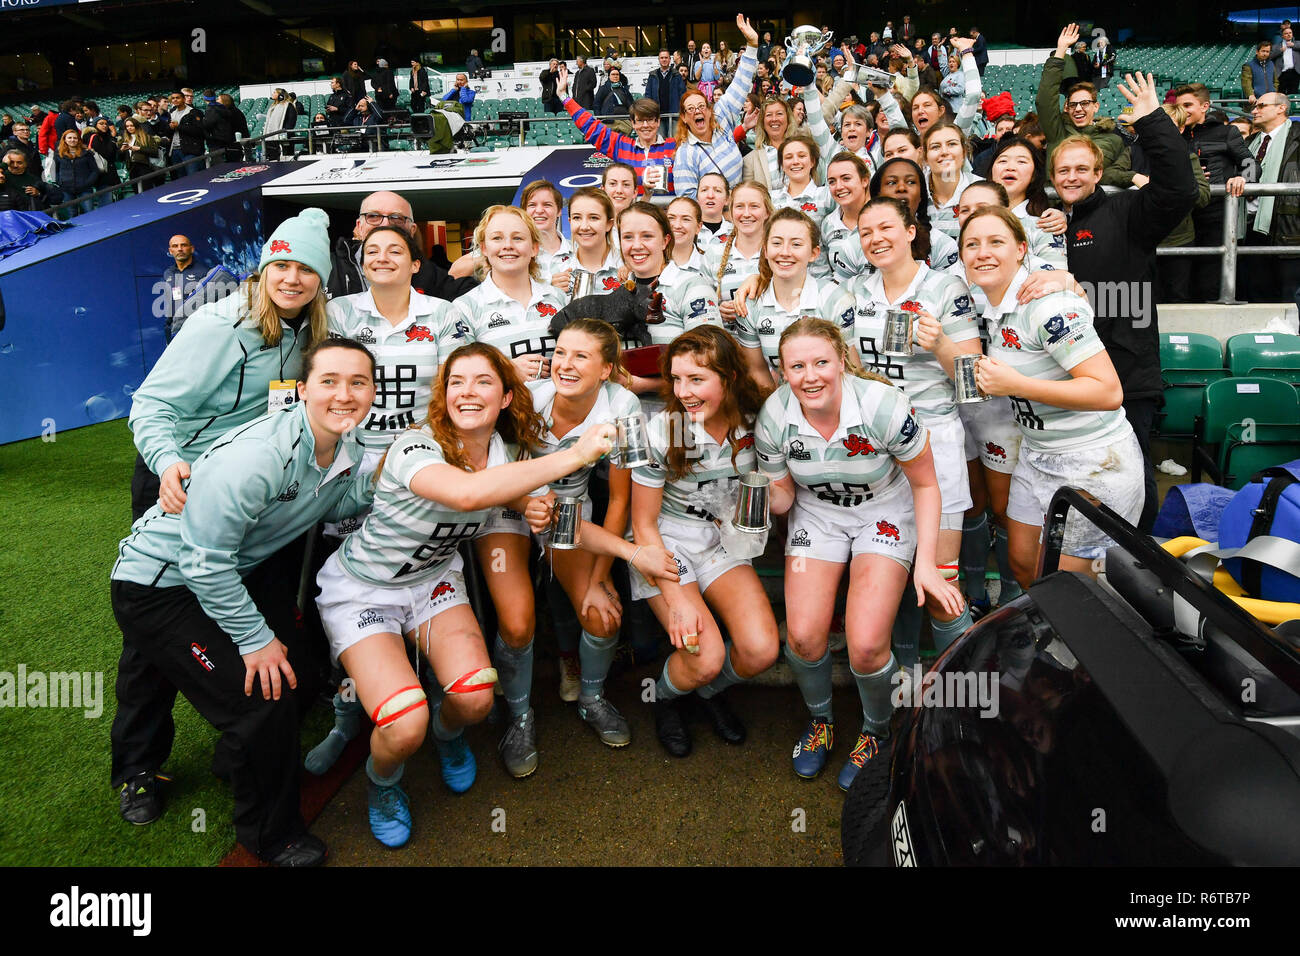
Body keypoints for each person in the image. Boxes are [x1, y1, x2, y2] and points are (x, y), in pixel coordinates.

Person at [315, 341, 625, 831]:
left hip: (433, 583)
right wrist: (577, 455)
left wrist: (633, 553)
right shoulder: (417, 445)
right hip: (365, 591)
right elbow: (465, 494)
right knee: (402, 722)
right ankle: (384, 781)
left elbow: (558, 517)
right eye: (456, 382)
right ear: (443, 394)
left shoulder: (504, 455)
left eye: (483, 382)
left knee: (477, 697)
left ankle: (448, 734)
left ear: (505, 397)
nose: (467, 392)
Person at [111, 210, 335, 840]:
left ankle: (243, 748)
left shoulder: (313, 326)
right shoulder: (218, 322)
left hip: (253, 490)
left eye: (305, 268)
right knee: (157, 631)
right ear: (263, 269)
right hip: (179, 480)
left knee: (257, 613)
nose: (291, 279)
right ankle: (138, 766)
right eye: (280, 266)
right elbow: (152, 405)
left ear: (321, 277)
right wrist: (166, 462)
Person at [111, 336, 377, 866]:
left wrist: (395, 482)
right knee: (266, 692)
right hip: (159, 587)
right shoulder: (259, 456)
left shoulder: (346, 445)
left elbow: (335, 498)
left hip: (225, 573)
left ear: (374, 391)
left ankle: (238, 760)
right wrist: (254, 641)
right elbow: (203, 563)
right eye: (329, 381)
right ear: (302, 390)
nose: (344, 394)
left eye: (358, 382)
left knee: (299, 670)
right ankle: (272, 837)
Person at [756, 317, 964, 789]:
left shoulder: (882, 405)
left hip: (883, 512)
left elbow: (928, 484)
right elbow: (784, 499)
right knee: (805, 638)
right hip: (819, 516)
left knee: (867, 646)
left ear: (842, 360)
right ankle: (821, 722)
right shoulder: (774, 416)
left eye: (821, 362)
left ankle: (875, 730)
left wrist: (927, 564)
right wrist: (752, 493)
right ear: (783, 371)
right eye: (797, 366)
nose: (810, 376)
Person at [480, 319, 644, 753]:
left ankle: (591, 698)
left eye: (581, 356)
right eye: (560, 352)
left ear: (606, 369)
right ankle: (519, 716)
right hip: (508, 506)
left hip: (569, 512)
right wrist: (524, 499)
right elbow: (489, 470)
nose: (564, 364)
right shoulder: (528, 394)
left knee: (602, 614)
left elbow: (620, 501)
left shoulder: (623, 404)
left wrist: (599, 578)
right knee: (516, 625)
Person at [961, 206, 1143, 585]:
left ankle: (1080, 645)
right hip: (1036, 453)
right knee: (1024, 563)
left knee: (1073, 587)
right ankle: (1049, 641)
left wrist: (1016, 385)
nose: (983, 252)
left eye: (996, 242)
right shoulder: (989, 303)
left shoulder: (1047, 303)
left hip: (1093, 458)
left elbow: (1108, 391)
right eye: (972, 244)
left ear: (1021, 249)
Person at [1049, 71, 1198, 532]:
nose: (1071, 177)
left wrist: (1153, 121)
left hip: (1128, 376)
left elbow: (1179, 190)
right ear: (1052, 178)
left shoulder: (1127, 212)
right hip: (1068, 380)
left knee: (1132, 485)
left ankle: (1143, 575)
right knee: (1082, 486)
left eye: (1081, 169)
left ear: (1098, 174)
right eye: (1063, 170)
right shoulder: (1048, 228)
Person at [630, 326, 779, 756]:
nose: (684, 391)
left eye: (697, 379)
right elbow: (643, 525)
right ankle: (661, 697)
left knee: (760, 650)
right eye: (676, 379)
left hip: (722, 543)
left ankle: (706, 692)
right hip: (667, 543)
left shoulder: (756, 422)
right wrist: (675, 601)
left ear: (729, 377)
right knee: (704, 655)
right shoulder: (665, 430)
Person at [849, 196, 982, 660]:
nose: (875, 239)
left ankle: (959, 685)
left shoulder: (945, 286)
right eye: (866, 232)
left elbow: (973, 381)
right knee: (896, 570)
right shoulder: (856, 292)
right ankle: (904, 675)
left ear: (910, 232)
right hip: (879, 448)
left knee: (942, 576)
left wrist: (942, 343)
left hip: (935, 441)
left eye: (886, 227)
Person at [733, 206, 855, 387]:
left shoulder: (835, 300)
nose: (785, 252)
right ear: (765, 250)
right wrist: (778, 411)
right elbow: (757, 370)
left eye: (796, 244)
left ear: (814, 253)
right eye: (776, 243)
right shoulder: (750, 303)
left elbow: (850, 370)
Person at [451, 204, 569, 383]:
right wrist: (505, 370)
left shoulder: (558, 298)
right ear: (483, 248)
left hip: (560, 408)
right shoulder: (464, 307)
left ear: (534, 248)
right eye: (497, 238)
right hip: (502, 409)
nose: (507, 246)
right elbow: (457, 372)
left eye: (518, 238)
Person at [1175, 82, 1253, 301]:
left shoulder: (1226, 132)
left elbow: (1250, 162)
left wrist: (1242, 178)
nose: (1183, 110)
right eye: (1179, 106)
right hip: (1180, 218)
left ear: (1205, 106)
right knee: (1180, 279)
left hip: (1215, 217)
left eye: (1188, 104)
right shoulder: (1173, 134)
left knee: (1209, 279)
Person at [672, 14, 759, 197]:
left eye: (702, 106)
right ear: (684, 117)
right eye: (691, 109)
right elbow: (687, 200)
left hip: (740, 210)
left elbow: (740, 84)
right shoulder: (685, 154)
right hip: (713, 221)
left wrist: (752, 45)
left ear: (710, 110)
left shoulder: (721, 118)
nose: (698, 111)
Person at [1037, 25, 1135, 187]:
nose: (1078, 108)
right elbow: (1045, 100)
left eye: (1084, 103)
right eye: (1073, 104)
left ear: (1096, 107)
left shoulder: (1114, 139)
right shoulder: (1057, 131)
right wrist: (1061, 50)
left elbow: (1116, 174)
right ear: (1066, 108)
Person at [558, 63, 677, 196]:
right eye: (640, 120)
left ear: (658, 121)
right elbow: (591, 127)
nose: (645, 125)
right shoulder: (622, 146)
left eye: (650, 119)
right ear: (632, 123)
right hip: (631, 215)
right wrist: (564, 97)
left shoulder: (674, 146)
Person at [1242, 92, 1300, 304]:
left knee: (1288, 298)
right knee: (1257, 294)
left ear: (1281, 108)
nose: (1254, 110)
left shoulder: (1297, 138)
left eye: (1261, 106)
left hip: (1288, 227)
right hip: (1250, 227)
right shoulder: (1251, 142)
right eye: (1254, 106)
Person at [871, 156, 961, 274]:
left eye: (910, 182)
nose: (901, 188)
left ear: (921, 196)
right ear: (877, 195)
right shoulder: (858, 244)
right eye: (892, 182)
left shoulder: (943, 246)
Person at [987, 136, 1069, 268]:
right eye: (1002, 161)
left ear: (1034, 175)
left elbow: (1055, 279)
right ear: (991, 172)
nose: (1010, 167)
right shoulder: (972, 215)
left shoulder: (1046, 225)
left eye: (1021, 162)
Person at [706, 180, 772, 329]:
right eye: (739, 206)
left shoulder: (779, 254)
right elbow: (702, 306)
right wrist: (718, 311)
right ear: (731, 212)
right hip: (727, 346)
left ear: (767, 212)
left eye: (754, 206)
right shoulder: (714, 253)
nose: (746, 214)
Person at [548, 187, 621, 292]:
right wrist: (554, 294)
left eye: (593, 218)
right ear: (570, 221)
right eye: (577, 218)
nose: (584, 226)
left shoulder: (626, 265)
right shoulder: (558, 267)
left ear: (609, 224)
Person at [160, 235, 208, 340]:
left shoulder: (204, 272)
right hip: (173, 331)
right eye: (175, 246)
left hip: (197, 331)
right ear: (170, 250)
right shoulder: (168, 273)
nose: (180, 249)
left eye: (183, 245)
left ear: (192, 249)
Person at [49, 128, 100, 217]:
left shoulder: (86, 153)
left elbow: (95, 171)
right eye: (69, 138)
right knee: (72, 214)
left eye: (75, 138)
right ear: (64, 139)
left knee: (90, 213)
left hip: (85, 188)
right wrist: (60, 182)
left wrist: (87, 183)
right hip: (66, 189)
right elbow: (56, 170)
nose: (72, 140)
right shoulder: (58, 154)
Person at [645, 50, 686, 140]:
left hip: (674, 114)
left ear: (670, 59)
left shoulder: (676, 75)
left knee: (675, 141)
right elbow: (648, 95)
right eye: (662, 58)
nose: (664, 60)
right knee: (660, 141)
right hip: (658, 115)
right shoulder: (652, 75)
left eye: (666, 57)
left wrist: (680, 110)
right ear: (659, 60)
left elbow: (683, 94)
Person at [667, 195, 709, 272]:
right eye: (671, 218)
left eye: (686, 219)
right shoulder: (650, 263)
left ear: (698, 227)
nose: (677, 225)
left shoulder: (710, 265)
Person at [1243, 41, 1276, 106]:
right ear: (1257, 52)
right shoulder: (1248, 66)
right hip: (1256, 101)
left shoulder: (1272, 64)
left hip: (1270, 101)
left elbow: (1275, 81)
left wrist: (1274, 92)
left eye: (1267, 52)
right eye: (1263, 51)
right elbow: (1246, 82)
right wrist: (1251, 95)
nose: (1265, 54)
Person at [1273, 25, 1300, 95]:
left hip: (1294, 72)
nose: (1289, 35)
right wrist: (1280, 50)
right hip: (1281, 73)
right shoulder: (1276, 46)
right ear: (1282, 36)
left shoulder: (1297, 43)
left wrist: (1293, 45)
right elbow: (1270, 56)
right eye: (1286, 33)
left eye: (1290, 33)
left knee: (1293, 93)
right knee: (1281, 94)